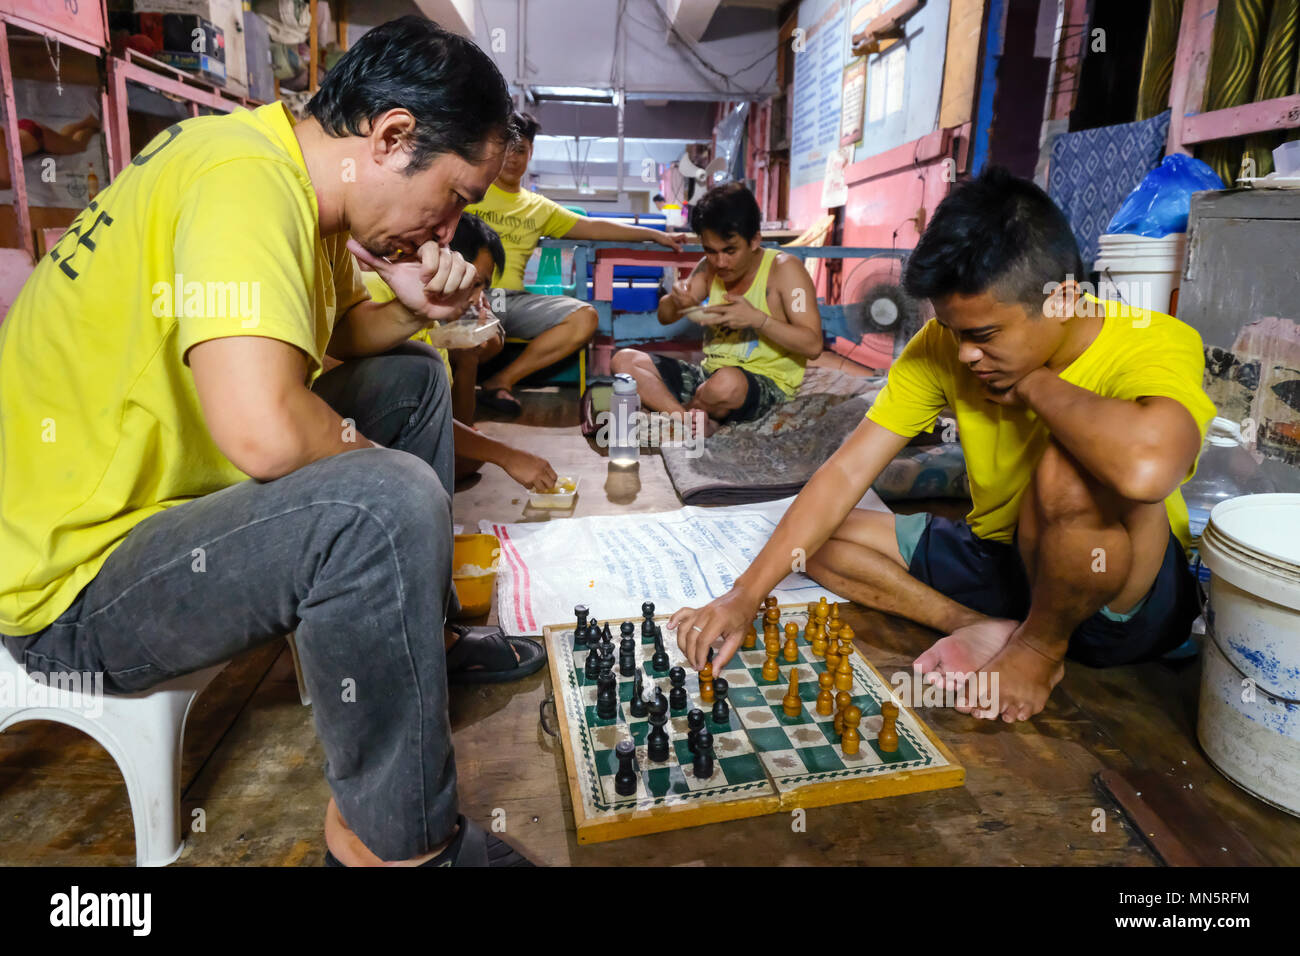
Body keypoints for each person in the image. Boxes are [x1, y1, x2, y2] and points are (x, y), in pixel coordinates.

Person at [0, 16, 540, 867]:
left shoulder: (281, 170)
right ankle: (393, 845)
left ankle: (421, 639)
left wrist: (414, 309)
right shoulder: (247, 183)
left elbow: (335, 341)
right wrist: (389, 486)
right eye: (457, 199)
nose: (446, 232)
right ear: (393, 135)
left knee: (410, 381)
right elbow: (262, 432)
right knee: (386, 502)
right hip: (72, 588)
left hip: (138, 517)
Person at [667, 167, 1216, 724]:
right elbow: (843, 473)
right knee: (813, 540)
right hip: (1007, 560)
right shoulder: (943, 347)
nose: (964, 355)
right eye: (954, 332)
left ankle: (1039, 648)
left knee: (1069, 467)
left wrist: (1034, 383)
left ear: (1063, 299)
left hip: (1120, 596)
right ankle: (977, 625)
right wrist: (745, 595)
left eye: (983, 336)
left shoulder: (1151, 339)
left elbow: (1148, 470)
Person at [467, 110, 684, 416]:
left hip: (513, 301)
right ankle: (456, 402)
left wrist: (653, 233)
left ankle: (502, 381)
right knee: (480, 336)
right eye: (506, 149)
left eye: (520, 151)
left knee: (585, 317)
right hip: (471, 296)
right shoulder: (472, 193)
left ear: (530, 153)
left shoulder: (538, 207)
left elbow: (595, 227)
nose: (512, 158)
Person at [359, 211, 558, 489]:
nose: (478, 299)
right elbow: (423, 422)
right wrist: (507, 455)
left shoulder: (435, 324)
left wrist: (468, 361)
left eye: (484, 288)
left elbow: (449, 424)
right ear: (446, 263)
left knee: (470, 450)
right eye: (475, 284)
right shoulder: (378, 296)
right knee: (473, 448)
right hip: (356, 438)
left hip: (398, 437)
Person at [611, 182, 822, 436]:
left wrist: (758, 320)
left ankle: (679, 414)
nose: (721, 262)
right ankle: (686, 419)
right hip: (708, 377)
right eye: (711, 251)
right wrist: (677, 301)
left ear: (754, 239)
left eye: (730, 251)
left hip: (762, 385)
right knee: (624, 360)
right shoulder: (708, 267)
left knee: (727, 384)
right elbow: (664, 317)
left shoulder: (786, 270)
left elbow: (813, 345)